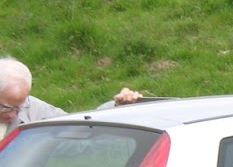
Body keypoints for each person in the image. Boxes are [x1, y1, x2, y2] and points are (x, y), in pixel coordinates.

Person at [0, 57, 142, 135]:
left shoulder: (34, 109)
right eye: (6, 108)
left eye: (19, 107)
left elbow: (79, 128)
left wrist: (117, 107)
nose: (13, 115)